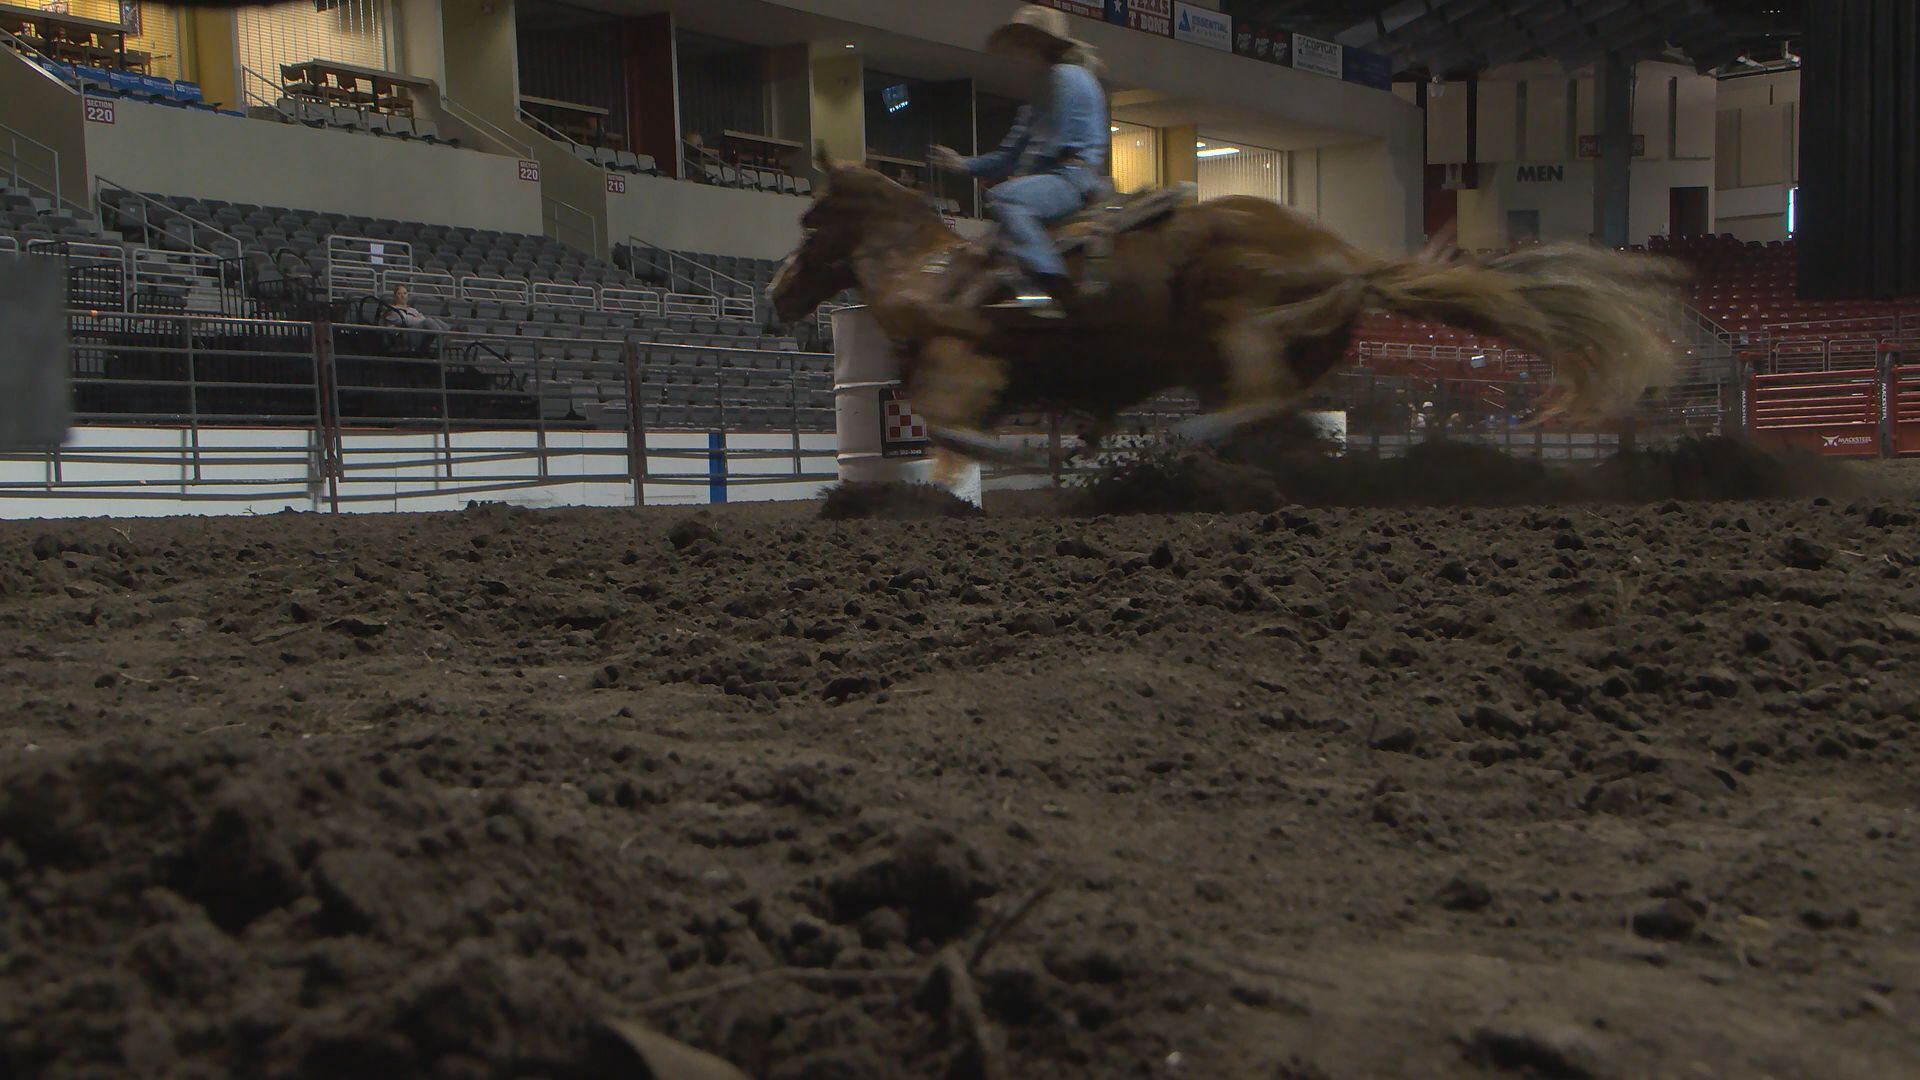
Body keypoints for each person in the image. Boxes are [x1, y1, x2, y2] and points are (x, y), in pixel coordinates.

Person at [930, 5, 1109, 316]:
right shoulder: (1043, 90)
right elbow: (1008, 154)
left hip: (1070, 177)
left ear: (1038, 46)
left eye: (1022, 46)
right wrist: (964, 164)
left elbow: (1049, 144)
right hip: (1058, 175)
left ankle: (1053, 284)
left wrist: (1016, 180)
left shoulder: (1064, 77)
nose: (1018, 55)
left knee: (1007, 200)